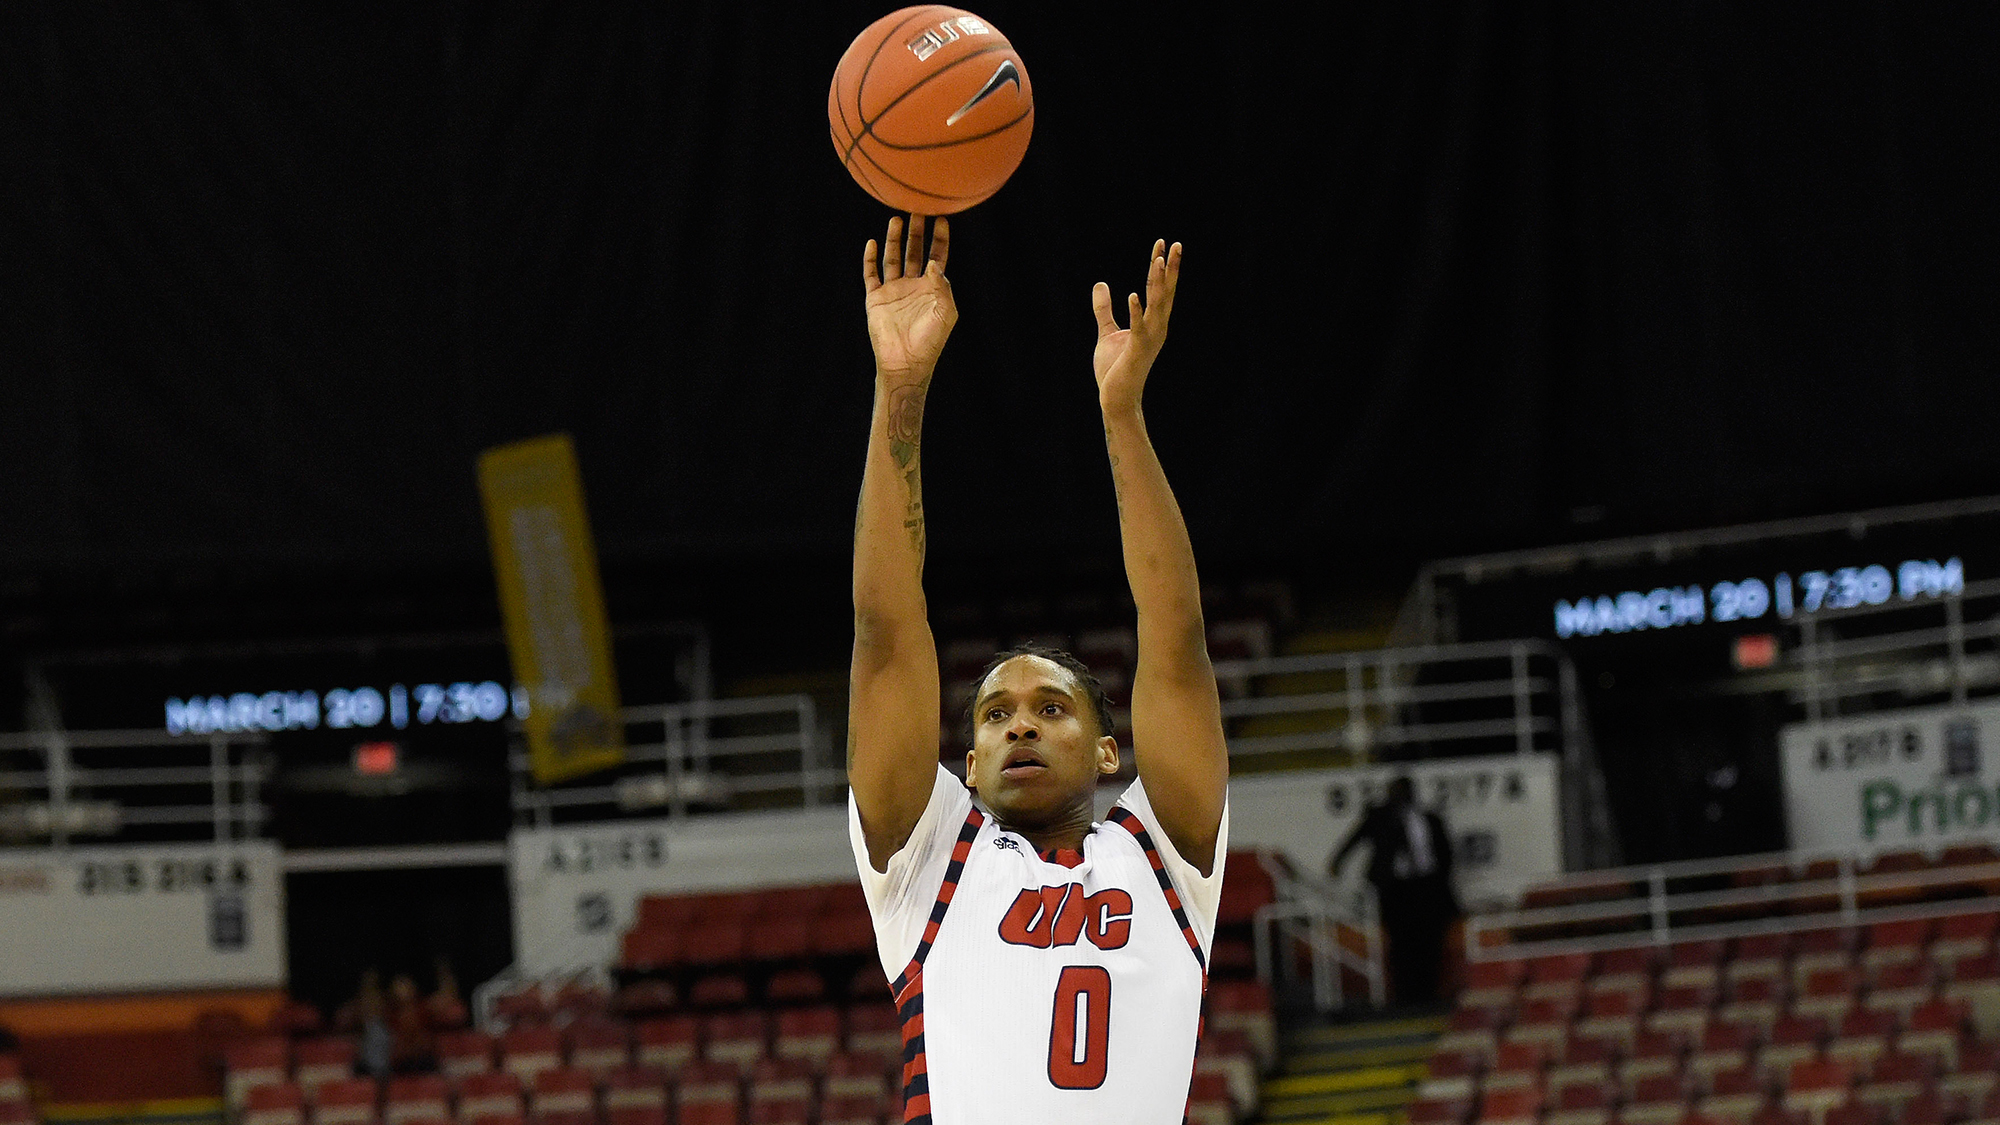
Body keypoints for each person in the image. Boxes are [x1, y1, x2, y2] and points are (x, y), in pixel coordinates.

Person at [846, 214, 1229, 1124]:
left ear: (1108, 752)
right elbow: (887, 632)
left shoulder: (1162, 858)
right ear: (966, 765)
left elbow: (1174, 638)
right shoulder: (931, 859)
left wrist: (1125, 418)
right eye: (994, 714)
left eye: (1052, 708)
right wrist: (900, 388)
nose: (1018, 722)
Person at [1329, 776, 1460, 1005]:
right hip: (1396, 890)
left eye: (1404, 792)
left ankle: (1429, 993)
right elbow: (1354, 840)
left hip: (1427, 888)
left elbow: (1445, 853)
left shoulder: (1429, 819)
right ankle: (1404, 995)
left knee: (1429, 942)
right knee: (1400, 944)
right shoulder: (1379, 818)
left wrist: (1440, 881)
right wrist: (1337, 863)